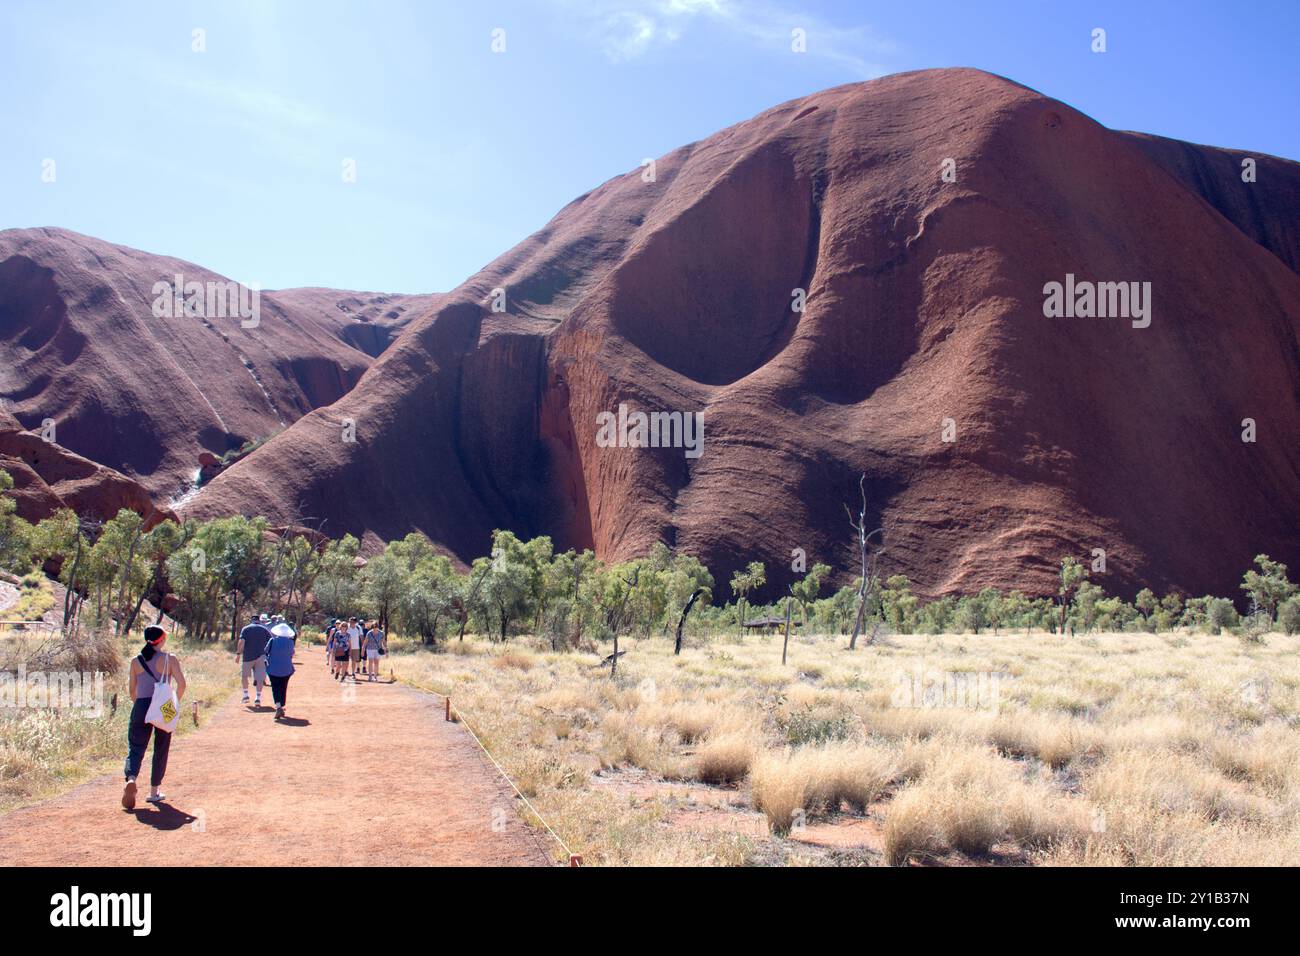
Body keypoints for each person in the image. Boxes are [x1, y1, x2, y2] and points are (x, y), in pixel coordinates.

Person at [123, 625, 187, 810]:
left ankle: (131, 778)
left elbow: (131, 690)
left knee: (135, 747)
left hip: (141, 705)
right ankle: (154, 792)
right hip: (163, 706)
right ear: (162, 639)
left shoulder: (136, 661)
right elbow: (182, 685)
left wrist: (140, 706)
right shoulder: (169, 659)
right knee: (161, 748)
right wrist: (172, 706)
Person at [236, 613, 272, 707]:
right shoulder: (264, 629)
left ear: (251, 620)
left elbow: (241, 642)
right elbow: (271, 641)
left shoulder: (246, 629)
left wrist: (238, 654)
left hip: (248, 656)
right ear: (259, 621)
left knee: (244, 676)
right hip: (261, 656)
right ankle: (258, 698)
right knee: (260, 678)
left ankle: (245, 695)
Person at [263, 623, 297, 721]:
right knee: (283, 687)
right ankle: (281, 704)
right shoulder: (290, 642)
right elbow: (291, 653)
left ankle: (278, 706)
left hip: (273, 667)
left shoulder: (272, 640)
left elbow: (266, 651)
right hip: (286, 668)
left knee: (275, 687)